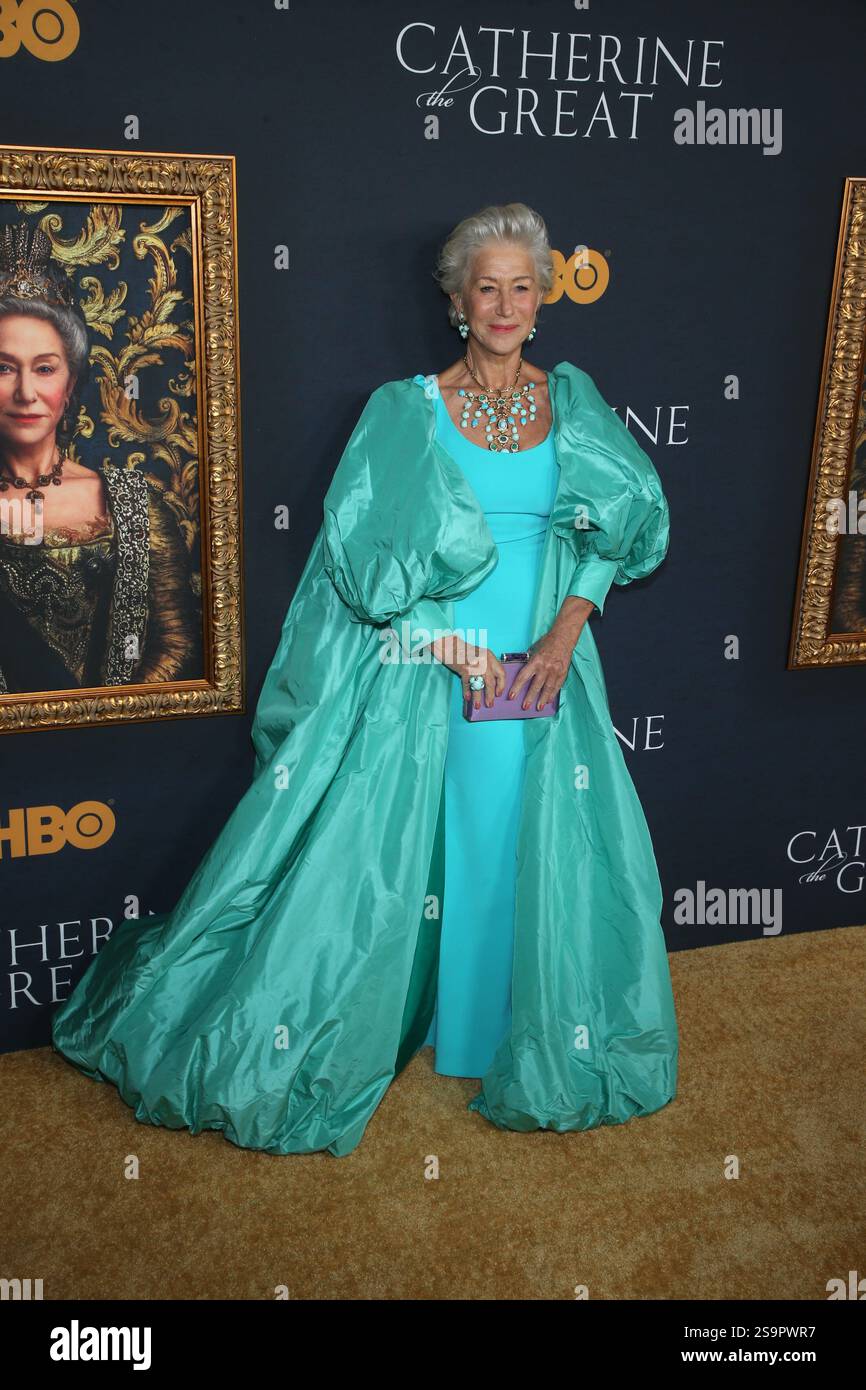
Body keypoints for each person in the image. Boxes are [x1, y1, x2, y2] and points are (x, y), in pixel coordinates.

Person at [51, 202, 678, 1157]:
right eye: (487, 288)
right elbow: (360, 564)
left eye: (522, 287)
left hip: (548, 658)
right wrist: (455, 646)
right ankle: (433, 1018)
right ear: (457, 302)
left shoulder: (575, 401)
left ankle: (511, 1026)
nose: (505, 305)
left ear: (541, 301)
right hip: (431, 663)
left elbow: (620, 530)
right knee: (439, 831)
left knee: (533, 828)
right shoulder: (406, 410)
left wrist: (561, 633)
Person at [0, 221, 200, 693]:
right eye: (3, 367)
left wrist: (103, 719)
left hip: (114, 745)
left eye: (44, 369)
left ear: (69, 387)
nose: (26, 392)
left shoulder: (132, 504)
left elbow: (177, 646)